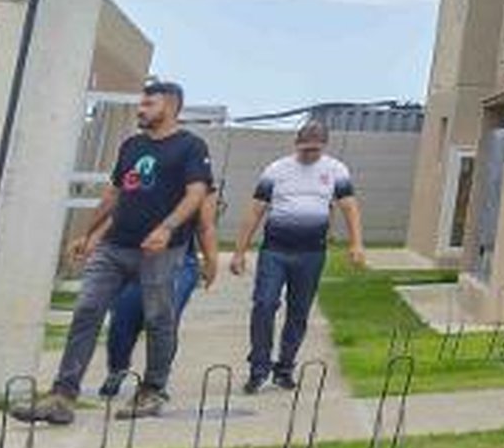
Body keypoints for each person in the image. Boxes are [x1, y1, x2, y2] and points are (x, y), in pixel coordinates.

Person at [28, 79, 213, 423]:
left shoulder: (190, 146)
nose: (141, 110)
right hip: (115, 246)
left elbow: (196, 194)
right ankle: (62, 395)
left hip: (161, 251)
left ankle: (152, 390)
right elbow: (115, 195)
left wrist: (167, 228)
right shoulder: (131, 146)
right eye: (140, 105)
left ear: (170, 106)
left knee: (159, 318)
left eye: (148, 105)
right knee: (87, 309)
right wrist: (88, 234)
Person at [236, 117, 366, 392]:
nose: (309, 154)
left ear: (324, 147)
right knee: (264, 304)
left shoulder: (336, 170)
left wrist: (356, 244)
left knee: (299, 311)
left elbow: (349, 207)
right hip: (275, 251)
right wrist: (240, 252)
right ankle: (258, 367)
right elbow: (255, 211)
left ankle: (285, 367)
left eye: (314, 150)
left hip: (311, 253)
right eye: (304, 149)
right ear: (296, 144)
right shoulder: (276, 170)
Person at [91, 183, 220, 399]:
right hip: (136, 257)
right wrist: (94, 238)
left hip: (179, 261)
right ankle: (117, 368)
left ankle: (156, 383)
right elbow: (117, 212)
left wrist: (211, 261)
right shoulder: (144, 173)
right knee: (123, 316)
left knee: (163, 318)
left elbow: (205, 226)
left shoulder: (201, 185)